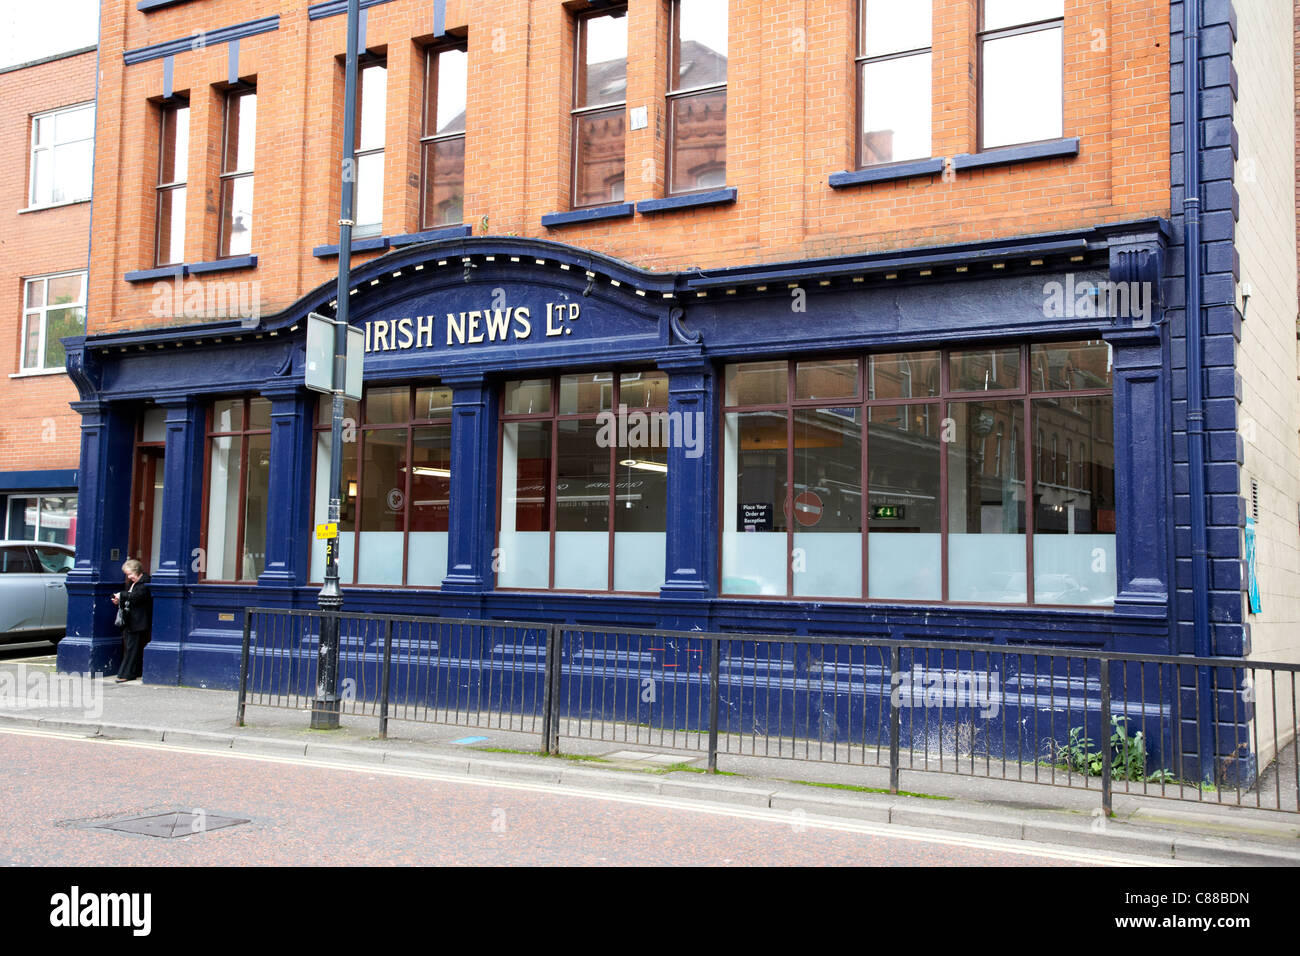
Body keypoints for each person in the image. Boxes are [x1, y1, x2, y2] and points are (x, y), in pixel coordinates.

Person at [111, 559, 152, 683]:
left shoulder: (145, 582)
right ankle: (131, 671)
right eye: (127, 575)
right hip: (131, 620)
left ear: (137, 571)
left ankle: (127, 673)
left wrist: (121, 595)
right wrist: (119, 600)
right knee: (131, 647)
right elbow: (131, 598)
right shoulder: (134, 583)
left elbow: (137, 597)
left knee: (132, 647)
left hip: (138, 620)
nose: (129, 577)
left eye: (130, 574)